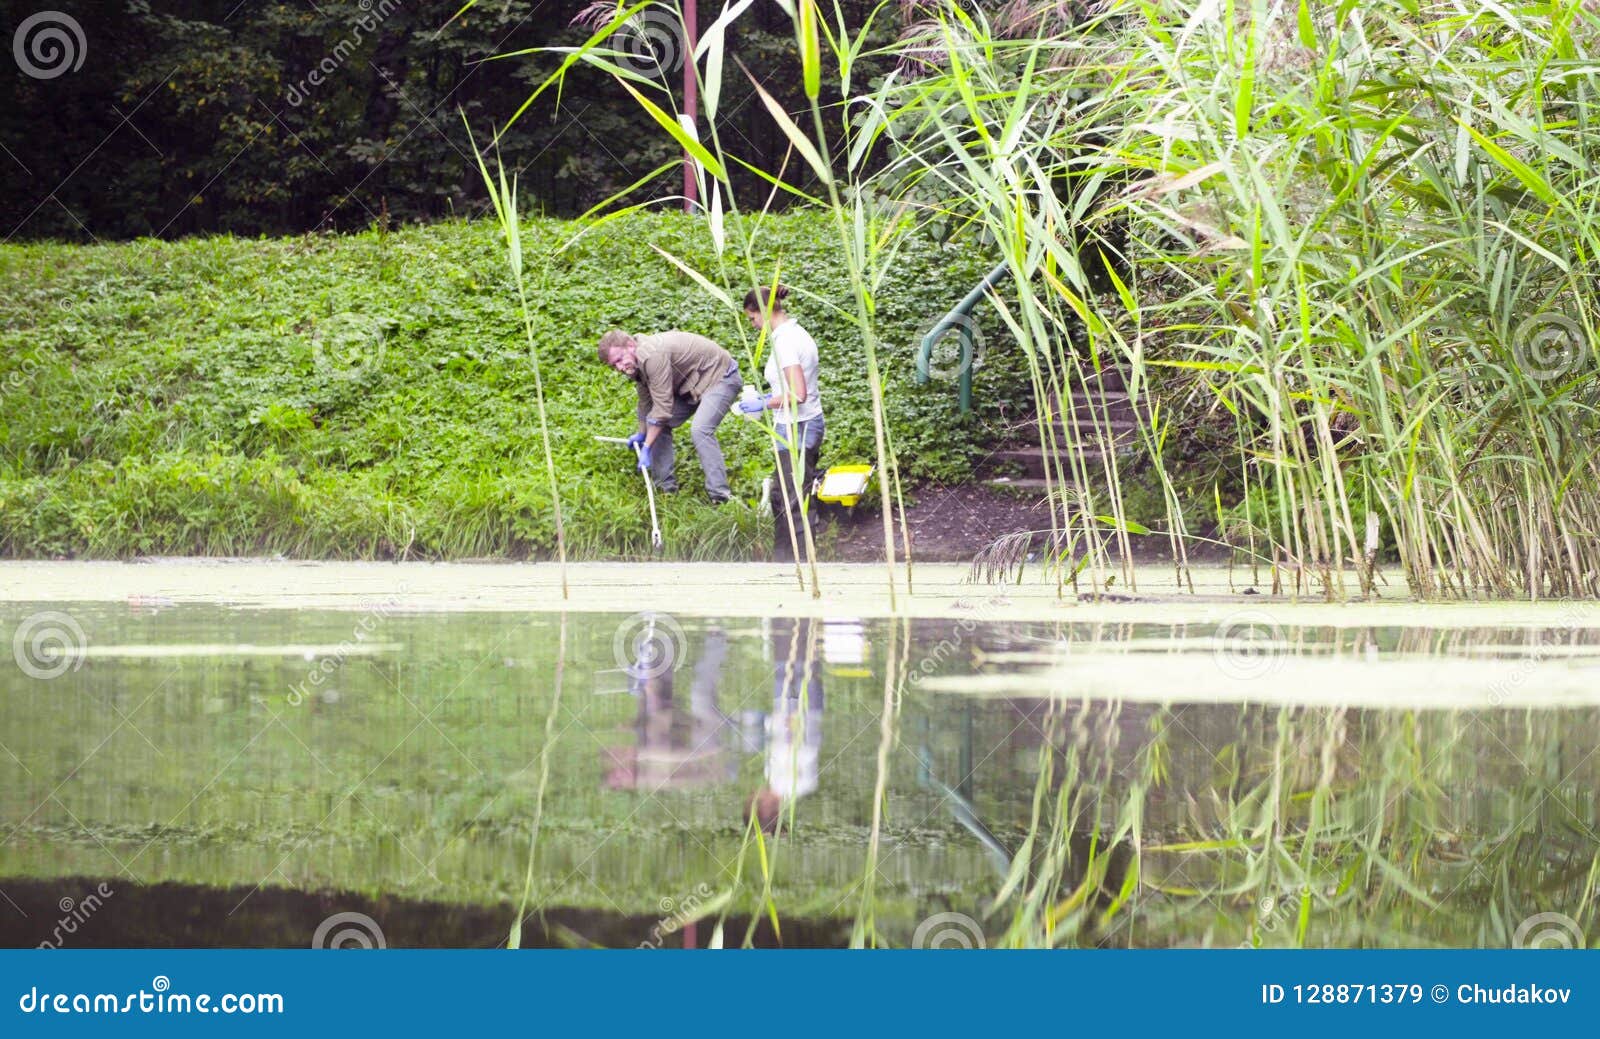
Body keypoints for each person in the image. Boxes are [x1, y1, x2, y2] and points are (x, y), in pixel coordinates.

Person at [598, 329, 742, 503]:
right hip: (692, 384)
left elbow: (662, 409)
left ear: (630, 345)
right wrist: (642, 433)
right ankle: (666, 492)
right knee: (657, 427)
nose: (620, 367)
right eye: (614, 365)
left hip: (721, 377)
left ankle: (721, 497)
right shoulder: (635, 361)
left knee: (700, 430)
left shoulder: (652, 356)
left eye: (620, 359)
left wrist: (647, 446)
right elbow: (646, 402)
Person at [734, 286, 824, 561]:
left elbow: (798, 393)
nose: (753, 325)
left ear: (762, 311)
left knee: (793, 501)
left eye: (752, 319)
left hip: (798, 427)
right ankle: (784, 559)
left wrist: (764, 403)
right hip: (802, 424)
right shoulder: (795, 333)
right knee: (781, 497)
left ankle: (798, 562)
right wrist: (768, 398)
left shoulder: (784, 341)